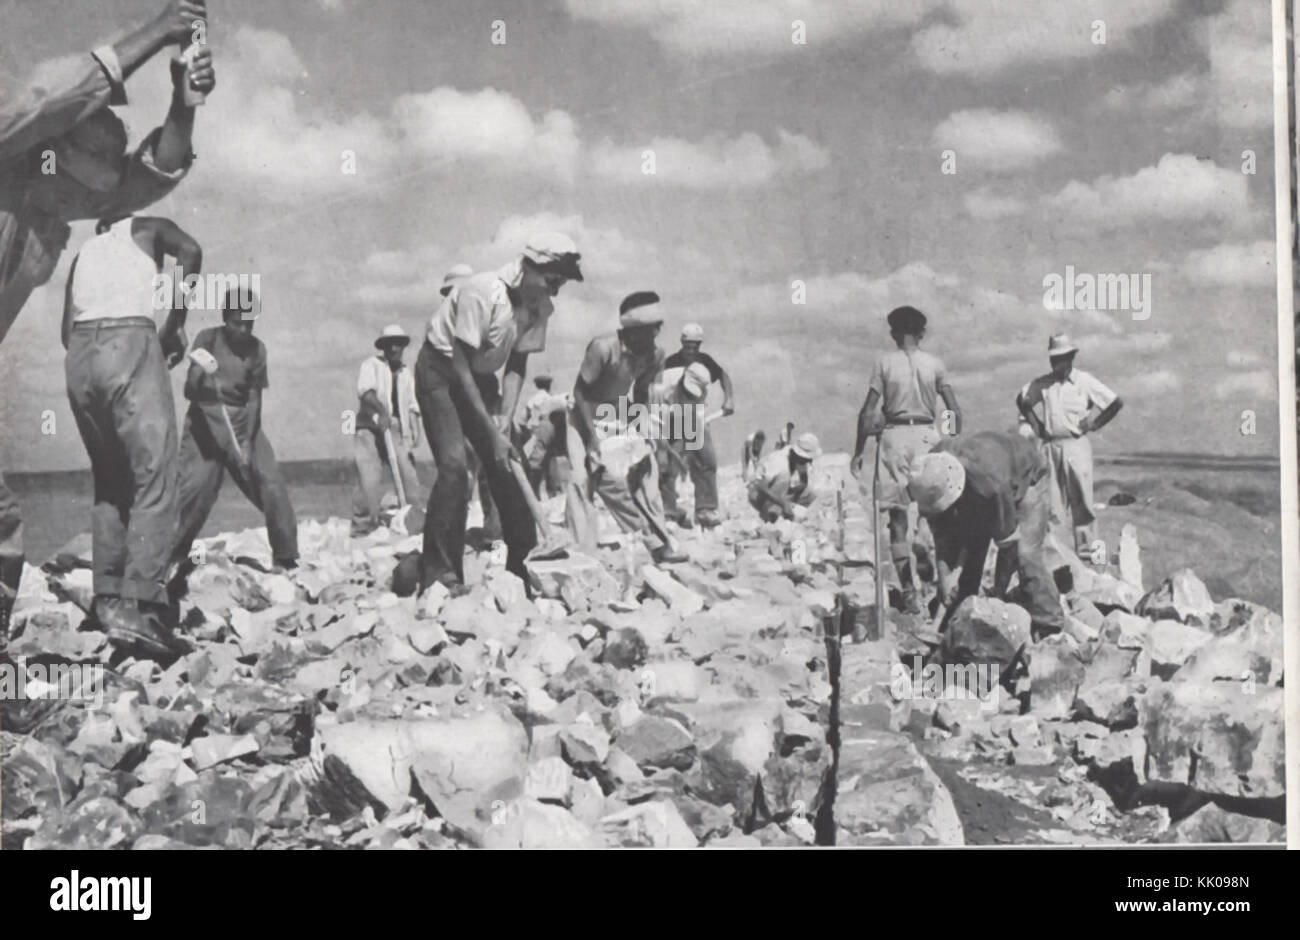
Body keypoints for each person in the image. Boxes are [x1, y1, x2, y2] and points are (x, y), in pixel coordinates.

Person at [0, 0, 214, 631]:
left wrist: (183, 101)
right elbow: (54, 100)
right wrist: (159, 32)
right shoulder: (16, 146)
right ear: (59, 148)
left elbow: (150, 174)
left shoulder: (53, 200)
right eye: (104, 130)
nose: (119, 137)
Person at [61, 214, 199, 658]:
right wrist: (175, 322)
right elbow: (192, 253)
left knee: (109, 482)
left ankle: (109, 599)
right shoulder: (148, 226)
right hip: (130, 341)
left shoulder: (85, 253)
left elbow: (66, 330)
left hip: (82, 356)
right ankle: (143, 609)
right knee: (156, 475)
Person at [414, 233, 583, 592]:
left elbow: (517, 362)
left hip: (480, 375)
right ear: (529, 268)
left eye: (560, 284)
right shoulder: (482, 291)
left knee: (510, 461)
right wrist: (490, 432)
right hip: (441, 371)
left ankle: (521, 566)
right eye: (552, 281)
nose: (554, 291)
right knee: (454, 466)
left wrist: (505, 417)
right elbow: (459, 367)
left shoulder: (540, 306)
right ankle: (440, 573)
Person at [167, 288, 299, 575]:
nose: (242, 329)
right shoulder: (208, 338)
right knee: (195, 492)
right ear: (225, 318)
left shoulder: (257, 349)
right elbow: (190, 391)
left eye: (248, 324)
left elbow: (254, 399)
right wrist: (198, 373)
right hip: (205, 421)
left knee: (270, 482)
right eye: (237, 322)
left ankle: (286, 557)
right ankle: (168, 556)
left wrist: (248, 444)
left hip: (241, 422)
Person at [852, 305, 961, 613]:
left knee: (897, 517)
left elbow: (867, 411)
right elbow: (954, 408)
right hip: (928, 434)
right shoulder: (935, 364)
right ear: (922, 333)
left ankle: (909, 591)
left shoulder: (884, 364)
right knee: (933, 511)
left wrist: (859, 451)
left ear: (893, 334)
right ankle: (935, 571)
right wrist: (950, 441)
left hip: (895, 437)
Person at [908, 430, 1066, 641]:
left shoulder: (991, 485)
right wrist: (944, 578)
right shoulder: (929, 472)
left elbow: (1008, 546)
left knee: (1025, 555)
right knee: (969, 552)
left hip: (1028, 479)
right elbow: (944, 537)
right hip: (979, 485)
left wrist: (996, 600)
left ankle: (1049, 625)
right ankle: (960, 622)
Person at [567, 291, 687, 563]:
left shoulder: (655, 354)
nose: (655, 336)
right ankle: (580, 556)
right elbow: (580, 393)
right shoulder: (603, 348)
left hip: (618, 411)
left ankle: (658, 544)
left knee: (647, 471)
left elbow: (641, 394)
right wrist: (592, 439)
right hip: (584, 414)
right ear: (633, 331)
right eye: (650, 331)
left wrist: (645, 430)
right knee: (582, 479)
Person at [1016, 333, 1122, 559]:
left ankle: (1090, 558)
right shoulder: (1043, 384)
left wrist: (1093, 424)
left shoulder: (1084, 381)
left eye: (1062, 358)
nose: (1058, 364)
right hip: (1051, 447)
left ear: (1072, 357)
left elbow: (1115, 403)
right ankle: (1059, 558)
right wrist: (1037, 426)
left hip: (1076, 446)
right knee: (1054, 507)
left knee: (1083, 503)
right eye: (1054, 359)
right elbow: (1022, 400)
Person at [656, 323, 734, 527]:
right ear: (682, 342)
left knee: (706, 461)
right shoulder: (669, 370)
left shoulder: (705, 363)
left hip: (696, 417)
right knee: (666, 465)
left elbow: (723, 375)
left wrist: (729, 398)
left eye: (695, 345)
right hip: (670, 417)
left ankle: (706, 510)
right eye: (688, 345)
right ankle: (669, 512)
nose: (692, 349)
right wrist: (668, 449)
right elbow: (656, 414)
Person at [352, 325, 424, 537]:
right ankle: (361, 528)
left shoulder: (406, 373)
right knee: (368, 478)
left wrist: (415, 432)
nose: (394, 348)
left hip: (394, 428)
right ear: (383, 347)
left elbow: (412, 406)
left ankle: (414, 522)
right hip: (369, 426)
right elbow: (366, 393)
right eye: (389, 344)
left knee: (409, 476)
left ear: (403, 347)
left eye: (398, 344)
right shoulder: (371, 365)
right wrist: (382, 412)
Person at [749, 432, 821, 522]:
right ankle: (769, 516)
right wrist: (783, 504)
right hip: (758, 493)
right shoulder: (780, 463)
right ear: (799, 456)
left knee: (809, 495)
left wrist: (794, 497)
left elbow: (803, 481)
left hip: (776, 488)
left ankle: (787, 513)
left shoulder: (796, 457)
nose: (808, 463)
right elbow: (761, 486)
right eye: (807, 460)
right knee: (783, 480)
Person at [520, 374, 571, 498]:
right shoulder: (552, 398)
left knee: (537, 459)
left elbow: (523, 417)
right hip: (554, 428)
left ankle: (532, 491)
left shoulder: (534, 398)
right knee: (550, 460)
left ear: (537, 385)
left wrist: (526, 429)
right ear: (549, 385)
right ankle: (553, 492)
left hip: (541, 428)